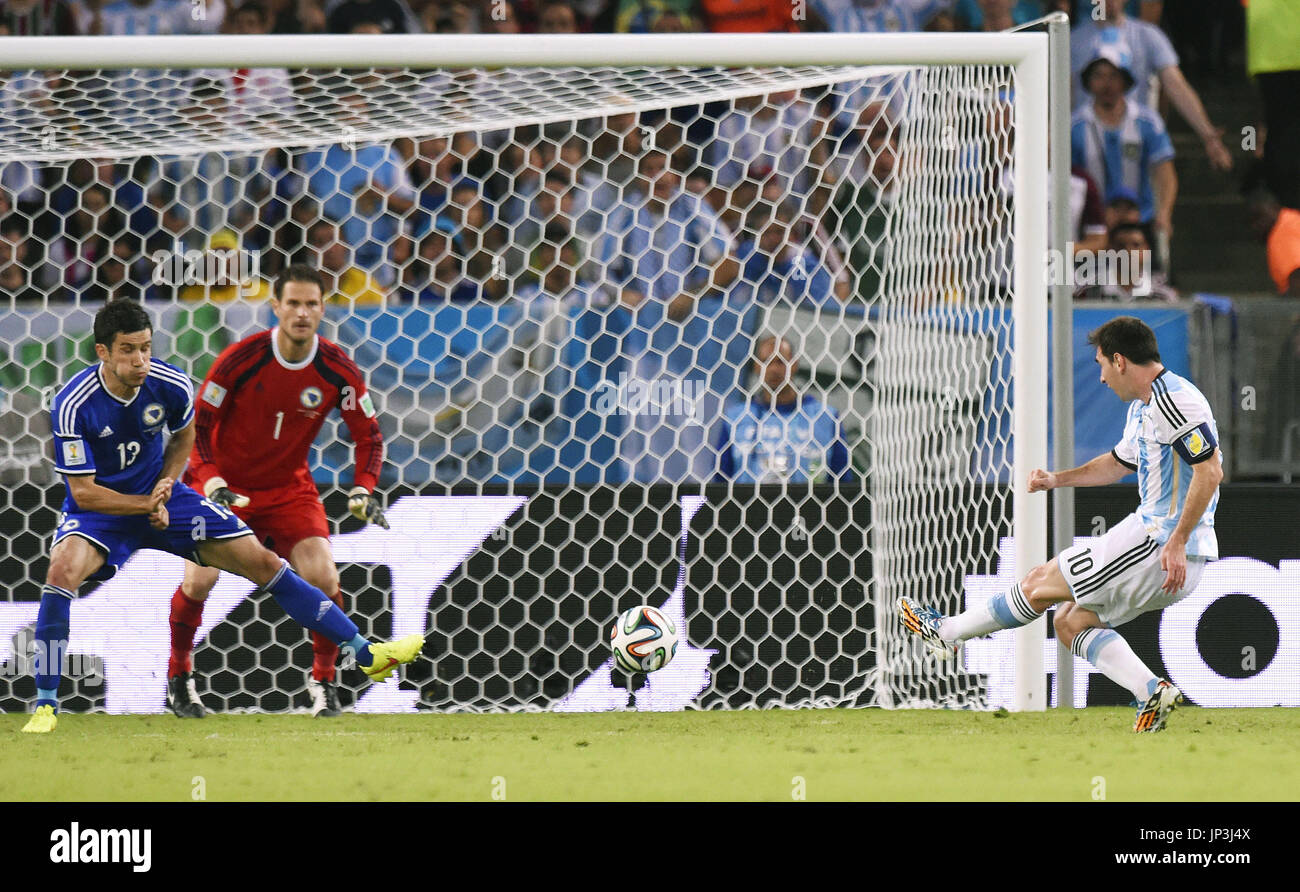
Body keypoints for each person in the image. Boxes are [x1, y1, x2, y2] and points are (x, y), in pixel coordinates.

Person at [21, 298, 421, 734]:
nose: (140, 361)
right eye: (128, 351)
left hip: (164, 500)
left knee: (266, 564)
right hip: (101, 512)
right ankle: (46, 705)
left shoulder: (169, 384)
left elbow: (185, 434)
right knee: (61, 571)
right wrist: (144, 506)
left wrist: (168, 484)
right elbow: (83, 491)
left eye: (146, 348)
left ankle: (367, 655)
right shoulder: (73, 403)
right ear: (103, 352)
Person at [900, 316, 1223, 733]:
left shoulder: (1175, 400)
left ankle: (947, 631)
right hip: (1163, 546)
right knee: (1071, 621)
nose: (1102, 377)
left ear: (1120, 361)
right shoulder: (1145, 407)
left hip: (1158, 541)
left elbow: (1210, 471)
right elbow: (1117, 464)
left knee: (1039, 582)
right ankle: (1150, 692)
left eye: (1102, 364)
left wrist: (1177, 540)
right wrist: (1058, 479)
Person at [164, 265, 387, 718]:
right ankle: (179, 677)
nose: (302, 313)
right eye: (293, 303)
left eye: (311, 304)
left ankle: (322, 683)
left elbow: (369, 437)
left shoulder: (337, 368)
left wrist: (363, 489)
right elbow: (198, 429)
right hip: (223, 488)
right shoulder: (240, 360)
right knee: (199, 580)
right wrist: (210, 480)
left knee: (324, 578)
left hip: (288, 491)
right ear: (276, 307)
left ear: (324, 308)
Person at [1070, 0, 1233, 172]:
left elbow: (1176, 85)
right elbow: (1063, 95)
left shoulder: (1148, 35)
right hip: (1087, 144)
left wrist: (1208, 135)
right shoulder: (1074, 40)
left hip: (1135, 142)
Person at [1071, 46, 1177, 241]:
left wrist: (1164, 212)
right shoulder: (1075, 126)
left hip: (1140, 223)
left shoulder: (1147, 122)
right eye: (1099, 76)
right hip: (1093, 228)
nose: (1106, 84)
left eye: (1113, 76)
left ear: (1125, 80)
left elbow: (1164, 171)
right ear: (1088, 81)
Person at [714, 335, 853, 483]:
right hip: (746, 505)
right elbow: (720, 479)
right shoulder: (737, 417)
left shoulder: (825, 417)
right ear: (756, 366)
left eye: (780, 362)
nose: (774, 369)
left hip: (807, 505)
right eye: (766, 362)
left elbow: (842, 481)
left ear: (794, 364)